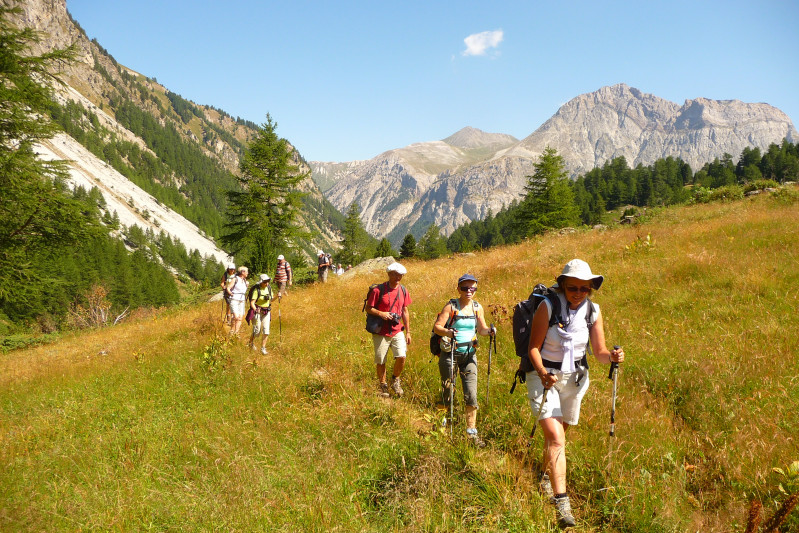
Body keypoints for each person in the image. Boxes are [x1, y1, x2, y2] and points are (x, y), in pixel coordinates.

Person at [524, 259, 625, 528]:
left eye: (584, 288)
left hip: (575, 379)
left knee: (558, 437)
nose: (578, 293)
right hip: (544, 377)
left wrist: (613, 357)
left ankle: (547, 477)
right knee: (556, 439)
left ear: (591, 289)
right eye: (572, 288)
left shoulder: (593, 311)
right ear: (562, 285)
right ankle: (562, 503)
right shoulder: (547, 306)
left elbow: (600, 353)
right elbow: (533, 348)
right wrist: (544, 373)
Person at [432, 273, 496, 448]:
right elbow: (437, 327)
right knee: (447, 390)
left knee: (471, 394)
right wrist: (448, 332)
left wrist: (489, 331)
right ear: (458, 289)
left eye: (472, 288)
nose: (469, 291)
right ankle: (441, 425)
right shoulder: (451, 306)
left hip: (469, 354)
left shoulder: (477, 307)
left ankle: (471, 432)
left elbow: (481, 329)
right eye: (465, 288)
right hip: (449, 353)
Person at [364, 262, 412, 399]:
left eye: (400, 275)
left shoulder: (403, 290)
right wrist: (381, 314)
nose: (398, 277)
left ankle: (395, 380)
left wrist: (408, 332)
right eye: (395, 274)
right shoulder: (378, 290)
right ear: (389, 274)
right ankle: (383, 384)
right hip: (380, 330)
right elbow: (368, 308)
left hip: (397, 330)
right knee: (380, 359)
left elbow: (405, 311)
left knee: (402, 356)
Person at [248, 274, 273, 354]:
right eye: (265, 282)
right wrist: (256, 310)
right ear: (261, 282)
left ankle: (263, 348)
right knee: (257, 331)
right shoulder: (256, 290)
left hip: (266, 311)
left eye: (268, 281)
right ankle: (250, 343)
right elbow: (252, 303)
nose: (267, 283)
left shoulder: (269, 288)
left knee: (266, 330)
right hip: (258, 311)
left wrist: (278, 296)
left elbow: (271, 300)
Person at [226, 266, 249, 337]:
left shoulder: (245, 281)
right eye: (246, 272)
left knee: (240, 318)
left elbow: (244, 290)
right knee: (236, 317)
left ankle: (236, 333)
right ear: (242, 272)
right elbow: (228, 288)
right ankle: (232, 330)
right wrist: (230, 293)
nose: (247, 273)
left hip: (242, 300)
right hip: (234, 299)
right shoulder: (235, 279)